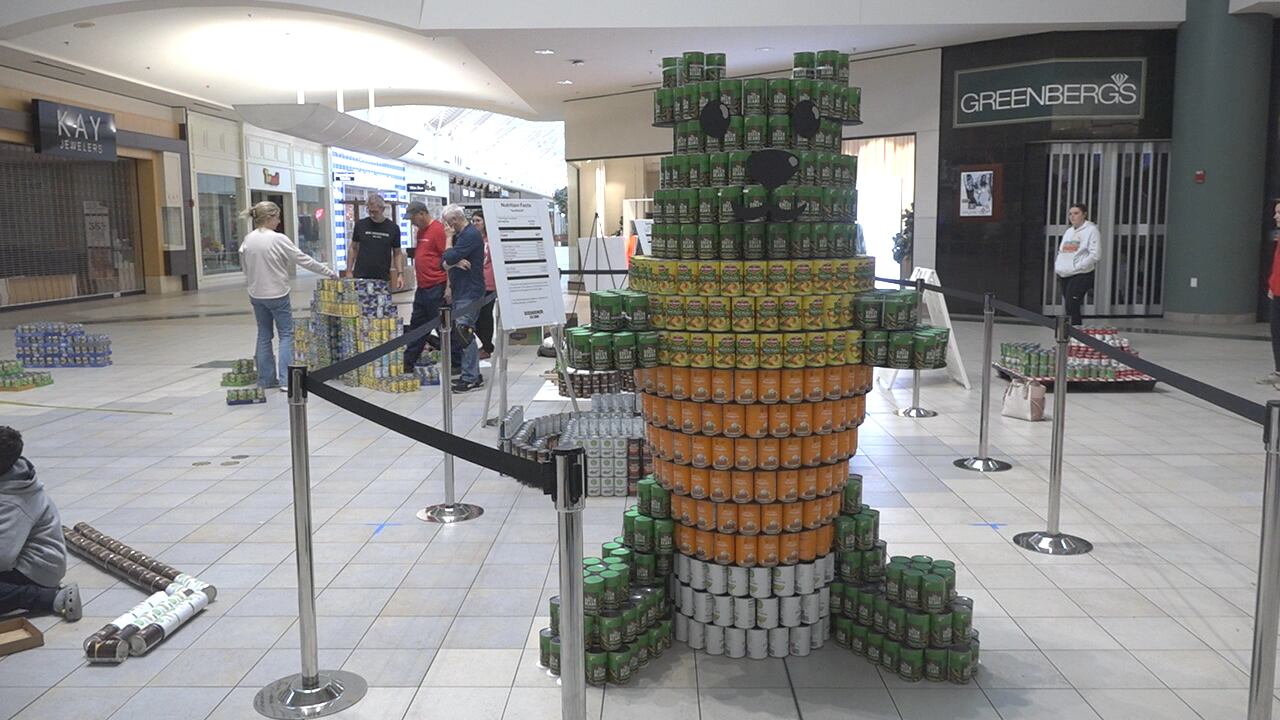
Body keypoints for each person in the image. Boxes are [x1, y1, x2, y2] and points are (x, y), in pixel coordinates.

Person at [240, 201, 338, 390]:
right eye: (277, 217)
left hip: (256, 293)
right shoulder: (278, 239)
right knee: (286, 334)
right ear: (269, 217)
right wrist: (327, 271)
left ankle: (265, 379)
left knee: (263, 334)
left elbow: (245, 268)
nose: (278, 221)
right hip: (277, 293)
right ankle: (286, 380)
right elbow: (302, 259)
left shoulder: (248, 239)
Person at [0, 426, 81, 621]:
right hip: (18, 559)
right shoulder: (8, 471)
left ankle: (51, 598)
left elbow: (2, 558)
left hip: (37, 571)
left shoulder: (12, 502)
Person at [441, 204, 487, 392]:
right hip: (460, 290)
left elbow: (448, 255)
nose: (446, 226)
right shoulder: (462, 236)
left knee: (464, 331)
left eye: (447, 222)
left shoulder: (468, 235)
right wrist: (453, 262)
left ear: (454, 220)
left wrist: (449, 241)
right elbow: (442, 262)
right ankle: (471, 373)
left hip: (471, 291)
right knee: (463, 332)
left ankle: (471, 377)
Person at [403, 201, 451, 374]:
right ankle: (408, 363)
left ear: (422, 213)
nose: (412, 222)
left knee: (443, 327)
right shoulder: (420, 231)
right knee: (417, 326)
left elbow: (448, 258)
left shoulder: (437, 230)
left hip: (436, 287)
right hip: (422, 288)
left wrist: (448, 287)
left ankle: (457, 361)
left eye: (413, 218)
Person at [345, 194, 405, 290]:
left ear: (382, 209)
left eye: (375, 212)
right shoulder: (360, 225)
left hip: (382, 277)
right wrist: (349, 270)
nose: (372, 214)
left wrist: (400, 274)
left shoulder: (393, 228)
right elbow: (353, 247)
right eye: (369, 211)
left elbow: (397, 253)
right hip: (361, 275)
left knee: (382, 303)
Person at [1054, 202, 1101, 325]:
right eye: (1070, 214)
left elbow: (1095, 254)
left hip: (1081, 273)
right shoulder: (1069, 232)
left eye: (1076, 213)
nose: (1072, 216)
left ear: (1084, 214)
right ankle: (1072, 334)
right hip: (1065, 273)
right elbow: (1062, 251)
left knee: (1072, 304)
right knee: (1069, 307)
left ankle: (1076, 333)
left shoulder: (1091, 230)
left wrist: (1080, 266)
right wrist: (1059, 266)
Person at [472, 210, 498, 359]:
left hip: (489, 283)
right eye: (473, 221)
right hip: (474, 283)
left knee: (485, 315)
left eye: (478, 221)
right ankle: (486, 344)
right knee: (473, 316)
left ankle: (487, 346)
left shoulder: (491, 240)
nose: (475, 224)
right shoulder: (472, 238)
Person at [1261, 199, 1280, 386]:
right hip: (1277, 292)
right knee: (1276, 331)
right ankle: (1278, 371)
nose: (1275, 216)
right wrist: (1271, 286)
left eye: (1279, 213)